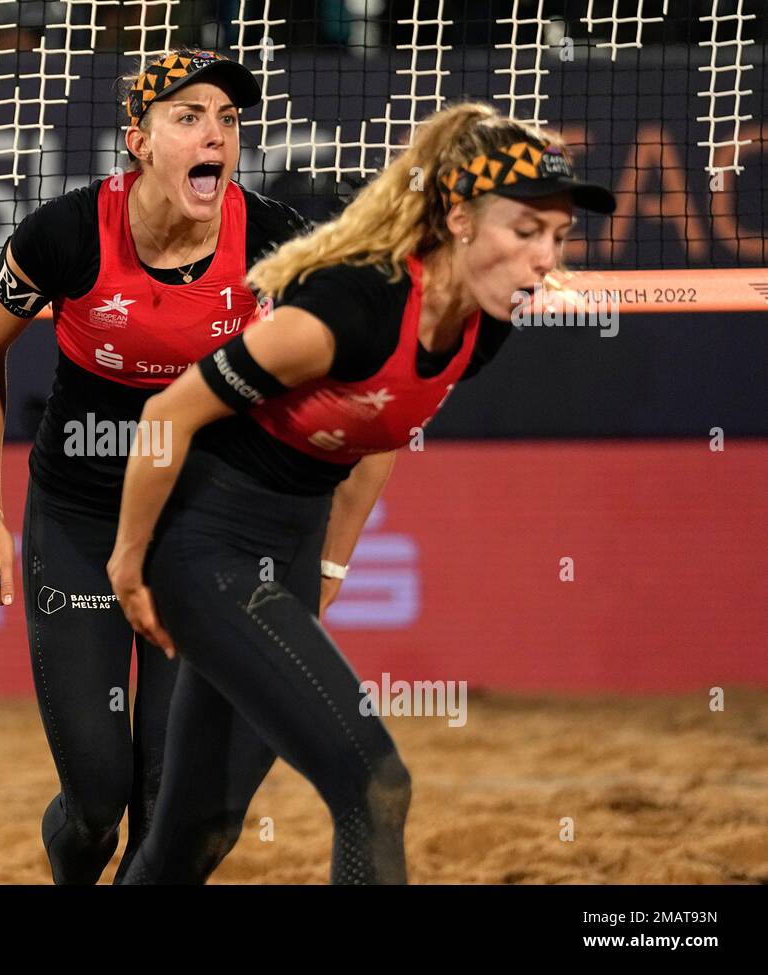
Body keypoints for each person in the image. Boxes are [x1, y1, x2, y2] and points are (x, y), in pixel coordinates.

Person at [106, 100, 617, 884]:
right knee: (373, 780)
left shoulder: (487, 317)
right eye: (525, 231)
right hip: (205, 543)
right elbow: (167, 413)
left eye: (558, 236)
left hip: (292, 542)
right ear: (460, 221)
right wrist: (132, 562)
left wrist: (332, 567)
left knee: (199, 830)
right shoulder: (351, 306)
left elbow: (384, 425)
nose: (545, 258)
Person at [0, 48, 311, 883]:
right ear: (139, 142)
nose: (215, 134)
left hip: (199, 533)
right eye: (189, 116)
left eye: (227, 118)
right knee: (95, 801)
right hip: (80, 521)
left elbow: (330, 381)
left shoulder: (273, 241)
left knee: (171, 801)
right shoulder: (67, 232)